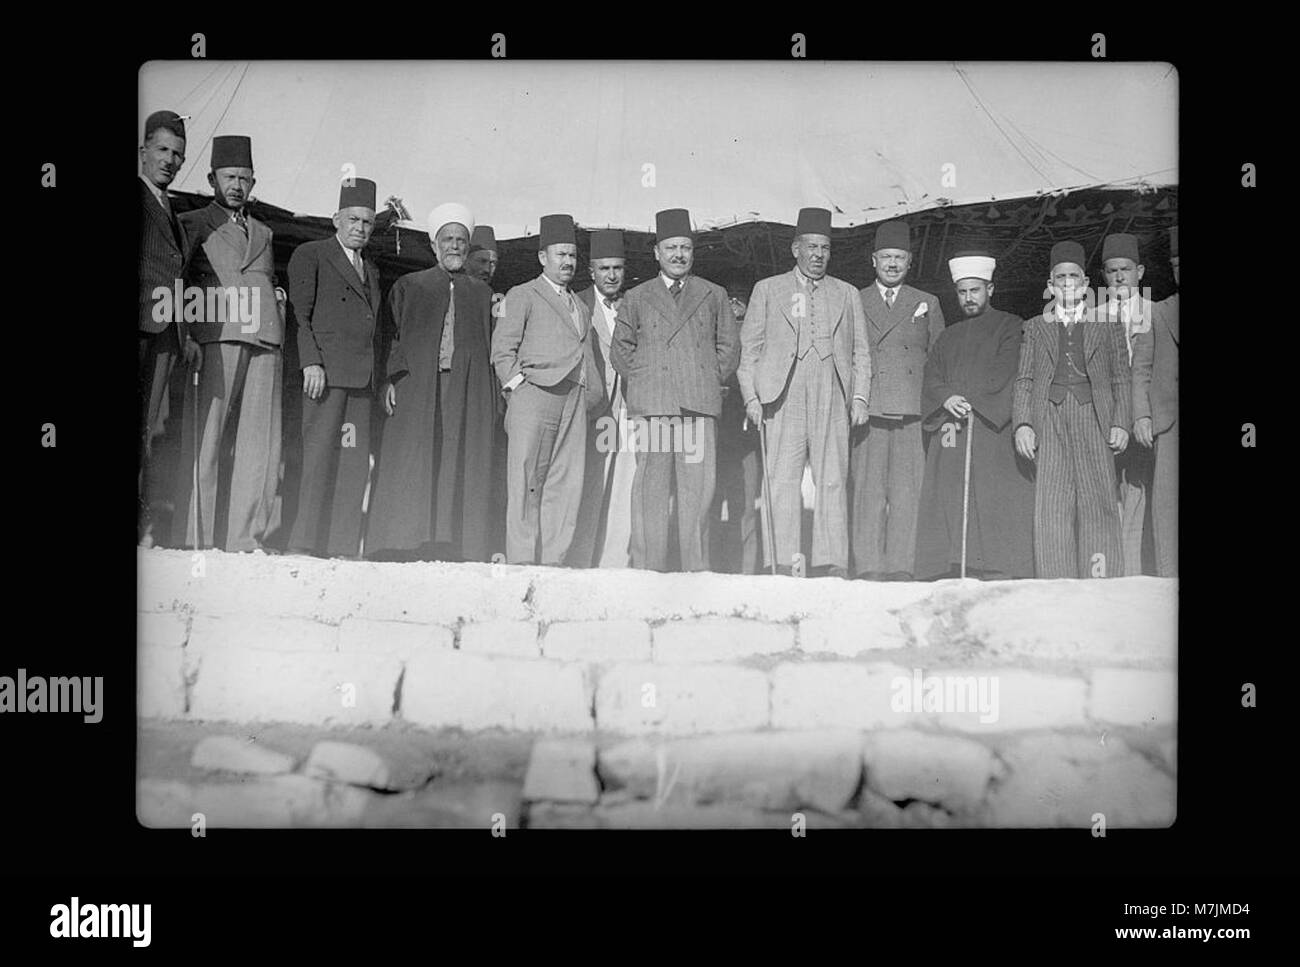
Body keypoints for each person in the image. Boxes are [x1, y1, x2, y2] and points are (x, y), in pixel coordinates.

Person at [737, 207, 870, 577]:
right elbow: (748, 352)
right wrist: (751, 398)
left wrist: (859, 397)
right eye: (811, 246)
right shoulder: (768, 289)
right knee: (781, 480)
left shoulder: (847, 293)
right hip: (783, 394)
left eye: (825, 248)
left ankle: (832, 564)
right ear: (796, 248)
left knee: (832, 479)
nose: (818, 255)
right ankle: (783, 563)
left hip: (831, 390)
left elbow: (861, 352)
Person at [366, 203, 499, 561]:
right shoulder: (410, 285)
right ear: (434, 245)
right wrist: (389, 380)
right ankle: (400, 541)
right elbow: (389, 336)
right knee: (414, 458)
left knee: (455, 458)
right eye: (448, 240)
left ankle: (448, 541)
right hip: (417, 386)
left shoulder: (482, 293)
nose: (454, 246)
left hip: (465, 390)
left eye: (461, 241)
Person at [172, 135, 286, 553]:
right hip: (217, 333)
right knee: (206, 437)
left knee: (261, 444)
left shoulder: (265, 231)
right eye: (229, 177)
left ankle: (245, 538)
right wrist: (186, 334)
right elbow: (177, 278)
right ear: (212, 178)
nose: (237, 185)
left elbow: (266, 279)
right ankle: (194, 537)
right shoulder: (195, 222)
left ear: (253, 183)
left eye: (244, 178)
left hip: (265, 338)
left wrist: (277, 297)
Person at [610, 208, 740, 572]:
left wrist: (706, 377)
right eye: (671, 248)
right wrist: (646, 379)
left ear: (693, 252)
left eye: (685, 247)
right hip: (653, 405)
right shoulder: (637, 296)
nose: (678, 254)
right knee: (651, 489)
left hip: (698, 405)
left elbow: (729, 347)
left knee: (698, 492)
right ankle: (647, 567)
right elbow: (620, 348)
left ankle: (695, 570)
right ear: (657, 252)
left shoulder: (713, 294)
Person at [1013, 240, 1130, 578]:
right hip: (1049, 417)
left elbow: (1121, 379)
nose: (1067, 284)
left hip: (1094, 416)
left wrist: (1121, 422)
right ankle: (1056, 587)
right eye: (1060, 278)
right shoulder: (1035, 327)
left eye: (1074, 277)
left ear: (1086, 285)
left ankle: (1101, 583)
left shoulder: (1107, 325)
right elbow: (1024, 380)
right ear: (1050, 286)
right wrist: (1023, 423)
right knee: (1052, 504)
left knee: (1099, 503)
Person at [914, 254, 1034, 580]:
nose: (969, 298)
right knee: (948, 496)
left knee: (994, 497)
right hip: (952, 431)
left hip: (991, 432)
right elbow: (932, 375)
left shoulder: (1010, 325)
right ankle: (949, 566)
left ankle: (997, 567)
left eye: (975, 291)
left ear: (990, 289)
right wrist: (947, 398)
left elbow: (1007, 371)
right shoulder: (947, 335)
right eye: (963, 292)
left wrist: (973, 402)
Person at [491, 213, 598, 565]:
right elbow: (502, 349)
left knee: (565, 483)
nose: (567, 262)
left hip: (573, 399)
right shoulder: (521, 294)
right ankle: (522, 560)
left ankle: (553, 561)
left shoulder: (581, 305)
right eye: (560, 255)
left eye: (572, 256)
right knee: (525, 481)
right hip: (533, 397)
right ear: (543, 257)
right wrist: (518, 389)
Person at [285, 178, 383, 558]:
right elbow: (299, 313)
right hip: (325, 380)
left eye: (367, 223)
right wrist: (310, 361)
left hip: (359, 385)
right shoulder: (312, 254)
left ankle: (341, 546)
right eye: (354, 220)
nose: (360, 228)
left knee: (352, 460)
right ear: (336, 219)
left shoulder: (370, 268)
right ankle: (302, 543)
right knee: (318, 458)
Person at [850, 219, 947, 580]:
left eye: (900, 258)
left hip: (910, 409)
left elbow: (938, 358)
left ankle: (902, 566)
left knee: (907, 493)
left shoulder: (927, 302)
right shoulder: (854, 299)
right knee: (868, 492)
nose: (892, 264)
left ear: (910, 262)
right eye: (886, 257)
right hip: (870, 408)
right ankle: (869, 566)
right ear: (873, 259)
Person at [138, 110, 191, 547]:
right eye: (162, 150)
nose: (170, 161)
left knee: (147, 432)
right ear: (143, 152)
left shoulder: (170, 210)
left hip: (164, 335)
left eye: (177, 154)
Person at [569, 229, 634, 568]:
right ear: (591, 270)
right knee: (589, 484)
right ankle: (580, 561)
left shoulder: (635, 304)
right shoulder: (577, 303)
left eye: (618, 269)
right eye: (604, 268)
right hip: (594, 409)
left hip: (627, 409)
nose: (611, 276)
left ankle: (613, 565)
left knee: (624, 484)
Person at [1100, 232, 1154, 576]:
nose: (1119, 276)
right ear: (1103, 276)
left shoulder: (1155, 312)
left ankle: (1135, 570)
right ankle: (1112, 571)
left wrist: (1143, 415)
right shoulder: (1093, 314)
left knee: (1141, 493)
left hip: (1146, 419)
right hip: (1108, 419)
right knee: (1109, 496)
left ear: (1140, 271)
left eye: (1126, 269)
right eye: (1112, 270)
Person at [1132, 225, 1178, 577]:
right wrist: (1142, 416)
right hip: (1169, 421)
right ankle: (1168, 576)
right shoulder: (1160, 312)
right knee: (1167, 507)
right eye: (1177, 264)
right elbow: (1141, 369)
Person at [712, 283, 762, 574]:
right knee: (710, 505)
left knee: (743, 509)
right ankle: (714, 568)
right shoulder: (711, 337)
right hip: (715, 436)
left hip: (744, 438)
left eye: (739, 303)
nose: (734, 309)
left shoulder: (757, 342)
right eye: (729, 303)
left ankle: (745, 573)